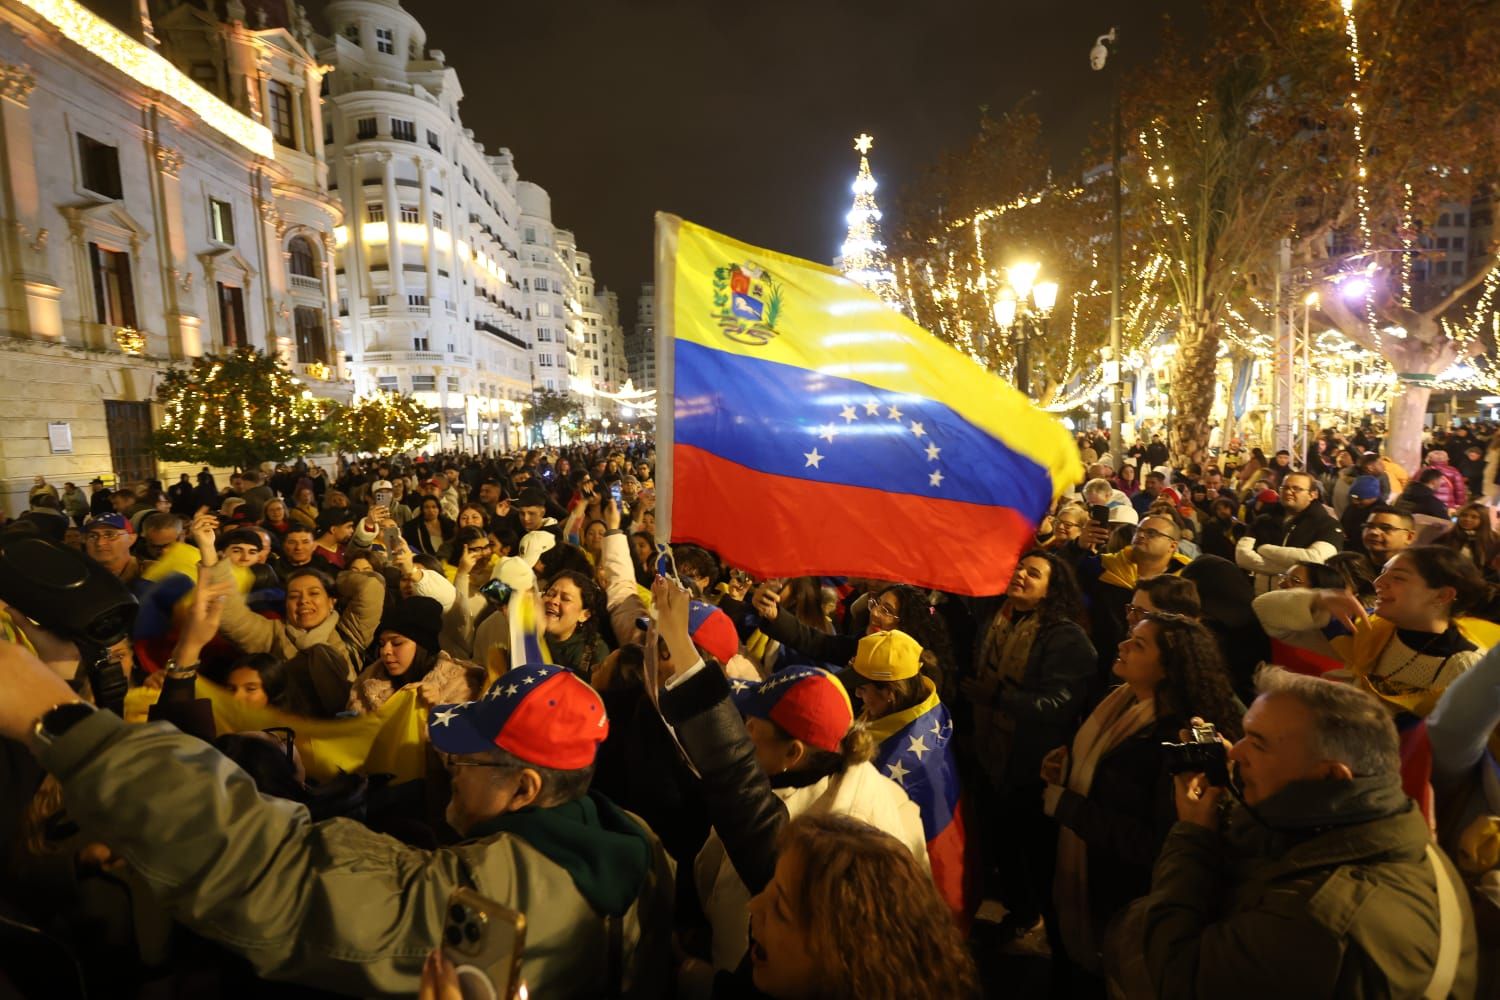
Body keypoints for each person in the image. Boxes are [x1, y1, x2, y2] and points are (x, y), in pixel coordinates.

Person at [0, 637, 674, 996]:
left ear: (524, 789)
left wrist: (66, 726)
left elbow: (277, 874)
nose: (449, 766)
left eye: (468, 760)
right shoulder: (638, 844)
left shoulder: (483, 902)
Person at [1130, 666, 1477, 998]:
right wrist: (1231, 793)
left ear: (1330, 777)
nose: (1235, 751)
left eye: (1258, 744)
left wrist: (1193, 835)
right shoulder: (1377, 825)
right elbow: (1284, 842)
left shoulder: (1319, 919)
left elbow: (1180, 976)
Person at [1040, 612, 1243, 989]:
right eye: (1129, 636)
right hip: (1088, 875)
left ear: (1168, 667)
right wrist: (1067, 768)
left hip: (1121, 895)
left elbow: (1156, 844)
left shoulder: (1177, 741)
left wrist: (1067, 805)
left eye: (1138, 644)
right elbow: (1104, 771)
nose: (1122, 645)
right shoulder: (1119, 703)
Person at [694, 665, 928, 972]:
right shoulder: (804, 776)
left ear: (793, 753)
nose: (742, 728)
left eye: (752, 725)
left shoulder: (829, 843)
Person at [961, 549, 1095, 941]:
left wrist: (998, 699)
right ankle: (1020, 910)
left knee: (1032, 849)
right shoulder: (997, 619)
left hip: (1031, 761)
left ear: (1051, 590)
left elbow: (1059, 705)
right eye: (1019, 568)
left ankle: (1047, 927)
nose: (1020, 575)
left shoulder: (1065, 637)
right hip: (991, 754)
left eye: (1033, 573)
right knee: (1001, 839)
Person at [193, 513, 385, 717]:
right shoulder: (273, 634)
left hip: (348, 729)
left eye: (314, 593)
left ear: (331, 601)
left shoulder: (350, 630)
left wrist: (333, 580)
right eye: (294, 596)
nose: (303, 601)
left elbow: (370, 586)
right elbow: (228, 613)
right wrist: (207, 548)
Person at [849, 629, 974, 924]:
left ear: (890, 694)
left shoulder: (893, 759)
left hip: (925, 887)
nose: (858, 696)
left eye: (863, 689)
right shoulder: (926, 705)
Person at [347, 596, 480, 714]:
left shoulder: (460, 685)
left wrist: (436, 709)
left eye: (397, 643)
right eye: (382, 644)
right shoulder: (368, 681)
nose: (385, 651)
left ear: (423, 646)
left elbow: (461, 730)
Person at [1235, 472, 1345, 594]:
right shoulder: (1264, 520)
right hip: (1260, 596)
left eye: (1296, 489)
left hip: (1301, 600)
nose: (1288, 492)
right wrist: (1288, 568)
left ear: (1312, 494)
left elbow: (1316, 559)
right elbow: (1242, 557)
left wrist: (1264, 549)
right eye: (1285, 487)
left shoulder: (1328, 524)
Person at [541, 570, 610, 680]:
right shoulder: (527, 631)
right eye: (550, 594)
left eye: (565, 599)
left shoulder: (595, 653)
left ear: (585, 615)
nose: (553, 600)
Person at [1434, 501, 1500, 573]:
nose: (1467, 519)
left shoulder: (1494, 540)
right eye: (1464, 515)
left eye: (1474, 517)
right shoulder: (1448, 536)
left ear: (1484, 520)